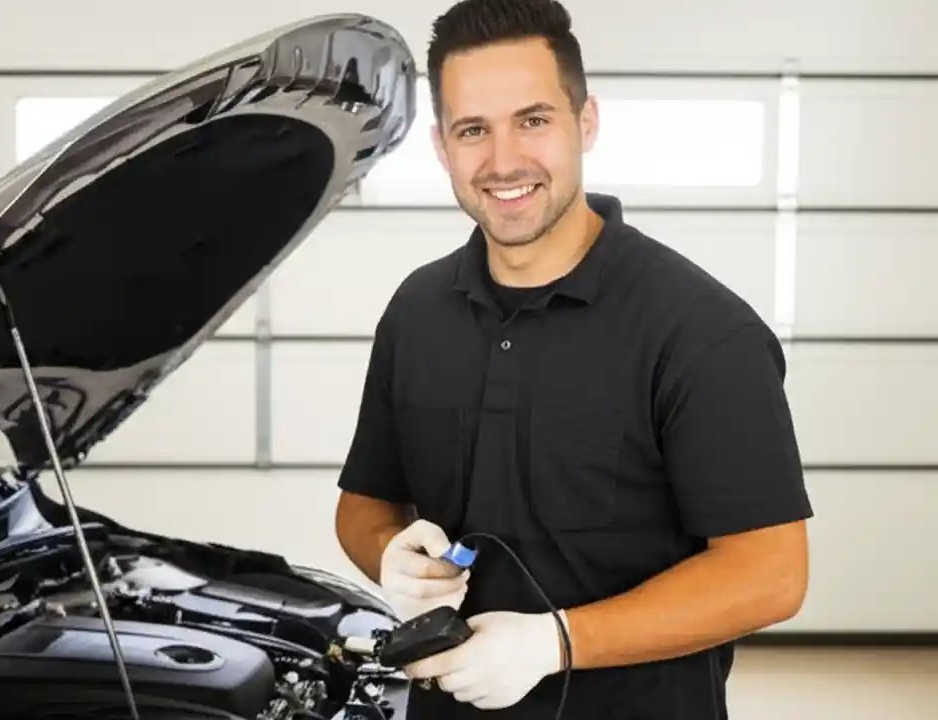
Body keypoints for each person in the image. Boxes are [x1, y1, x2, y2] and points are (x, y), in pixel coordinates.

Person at [332, 0, 814, 717]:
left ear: (585, 121)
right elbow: (364, 504)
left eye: (533, 120)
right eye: (473, 130)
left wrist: (556, 641)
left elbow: (771, 574)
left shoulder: (699, 329)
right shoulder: (418, 310)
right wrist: (392, 557)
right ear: (441, 147)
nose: (502, 161)